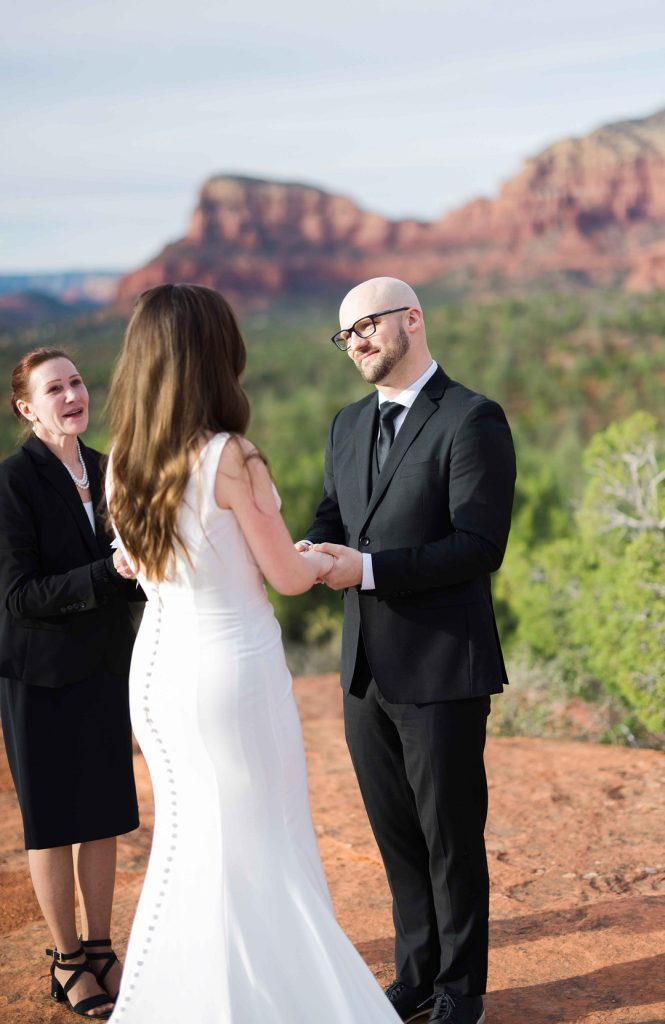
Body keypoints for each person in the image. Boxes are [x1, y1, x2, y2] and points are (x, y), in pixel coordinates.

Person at [105, 283, 402, 1024]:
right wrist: (326, 559)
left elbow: (146, 567)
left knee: (189, 838)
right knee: (261, 838)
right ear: (213, 356)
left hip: (158, 670)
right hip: (230, 668)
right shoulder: (230, 456)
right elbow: (286, 579)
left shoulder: (121, 464)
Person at [301, 277, 516, 1024]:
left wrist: (362, 570)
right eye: (344, 334)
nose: (355, 341)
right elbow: (334, 515)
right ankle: (416, 975)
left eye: (367, 325)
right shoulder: (345, 424)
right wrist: (307, 549)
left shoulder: (470, 418)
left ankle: (461, 991)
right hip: (364, 669)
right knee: (396, 839)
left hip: (441, 667)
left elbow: (477, 546)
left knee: (450, 838)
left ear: (412, 320)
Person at [0, 348, 144, 1020]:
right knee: (54, 825)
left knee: (105, 818)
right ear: (27, 409)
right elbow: (20, 596)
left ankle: (101, 948)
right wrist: (112, 572)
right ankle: (65, 962)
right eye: (53, 389)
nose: (71, 395)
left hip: (106, 669)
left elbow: (138, 568)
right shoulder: (11, 483)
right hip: (39, 676)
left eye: (77, 382)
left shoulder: (114, 469)